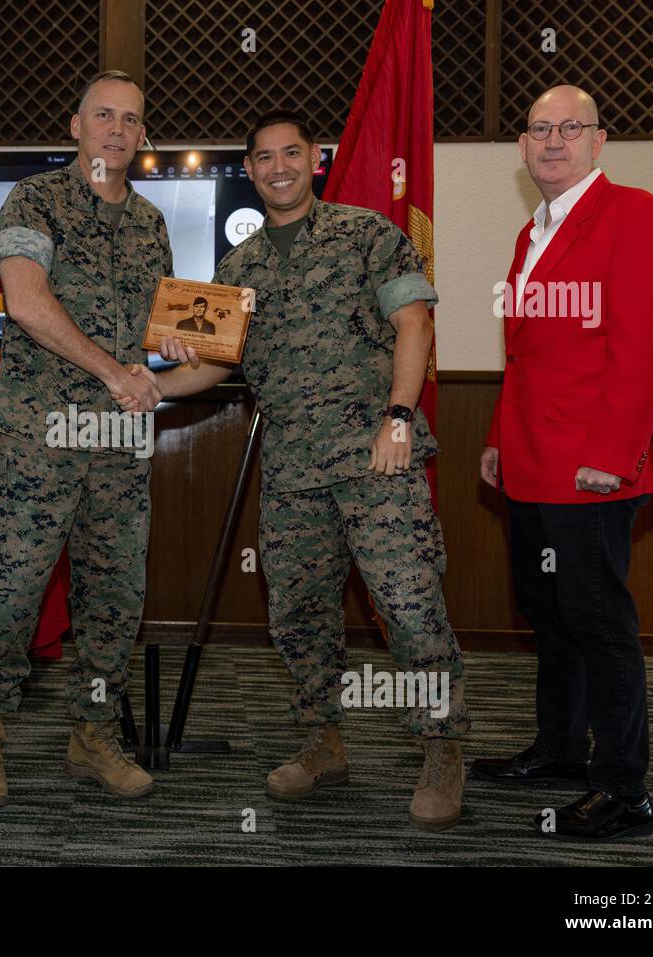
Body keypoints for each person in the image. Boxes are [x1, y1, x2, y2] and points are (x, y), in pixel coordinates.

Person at [147, 111, 470, 831]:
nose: (279, 166)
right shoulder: (239, 270)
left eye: (291, 152)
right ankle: (325, 739)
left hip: (374, 456)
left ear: (314, 160)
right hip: (292, 469)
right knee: (299, 616)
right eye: (264, 157)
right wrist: (148, 386)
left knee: (411, 608)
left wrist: (398, 416)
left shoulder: (367, 235)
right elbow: (211, 363)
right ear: (253, 172)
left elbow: (415, 324)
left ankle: (443, 742)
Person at [472, 86, 653, 842]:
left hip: (593, 467)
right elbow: (524, 355)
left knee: (598, 620)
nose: (552, 140)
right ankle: (561, 750)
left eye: (570, 128)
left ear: (599, 142)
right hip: (532, 461)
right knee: (549, 612)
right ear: (524, 148)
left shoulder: (637, 215)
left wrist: (609, 455)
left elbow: (647, 348)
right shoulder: (533, 232)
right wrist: (499, 433)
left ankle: (625, 790)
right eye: (538, 129)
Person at [0, 70, 171, 809]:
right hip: (38, 440)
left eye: (131, 120)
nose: (116, 129)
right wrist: (115, 372)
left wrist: (209, 339)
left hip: (118, 444)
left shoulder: (150, 224)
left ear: (143, 138)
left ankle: (93, 731)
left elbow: (162, 329)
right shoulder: (33, 201)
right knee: (13, 591)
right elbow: (23, 298)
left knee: (114, 599)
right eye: (102, 115)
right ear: (74, 126)